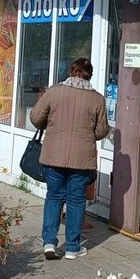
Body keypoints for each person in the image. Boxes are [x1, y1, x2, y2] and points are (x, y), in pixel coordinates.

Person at [31, 57, 109, 260]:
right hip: (81, 160)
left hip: (53, 156)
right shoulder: (97, 99)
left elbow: (35, 118)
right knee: (76, 200)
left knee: (54, 196)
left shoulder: (54, 92)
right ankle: (73, 248)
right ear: (89, 74)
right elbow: (101, 132)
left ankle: (49, 242)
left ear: (70, 71)